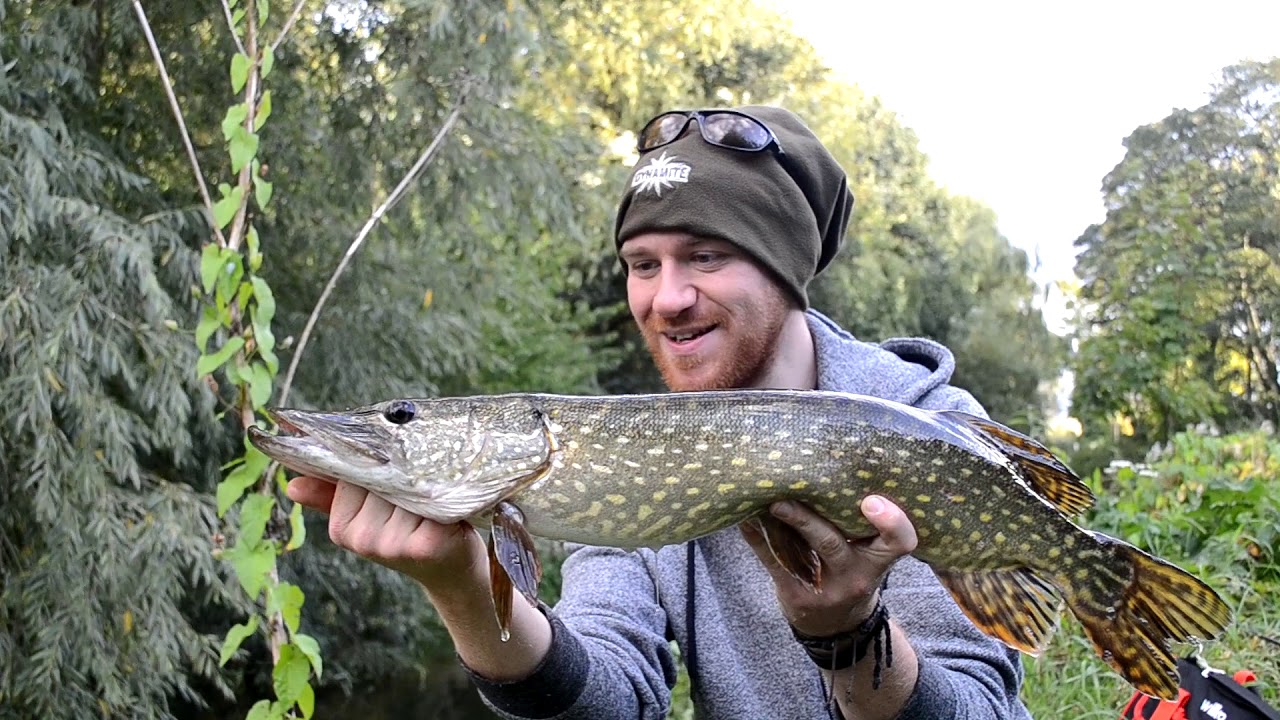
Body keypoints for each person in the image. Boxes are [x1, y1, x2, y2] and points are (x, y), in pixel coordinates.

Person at [286, 105, 1034, 720]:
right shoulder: (614, 454)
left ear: (785, 270)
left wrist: (849, 638)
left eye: (705, 256)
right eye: (643, 265)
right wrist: (468, 595)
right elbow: (611, 700)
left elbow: (979, 709)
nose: (665, 299)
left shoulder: (929, 422)